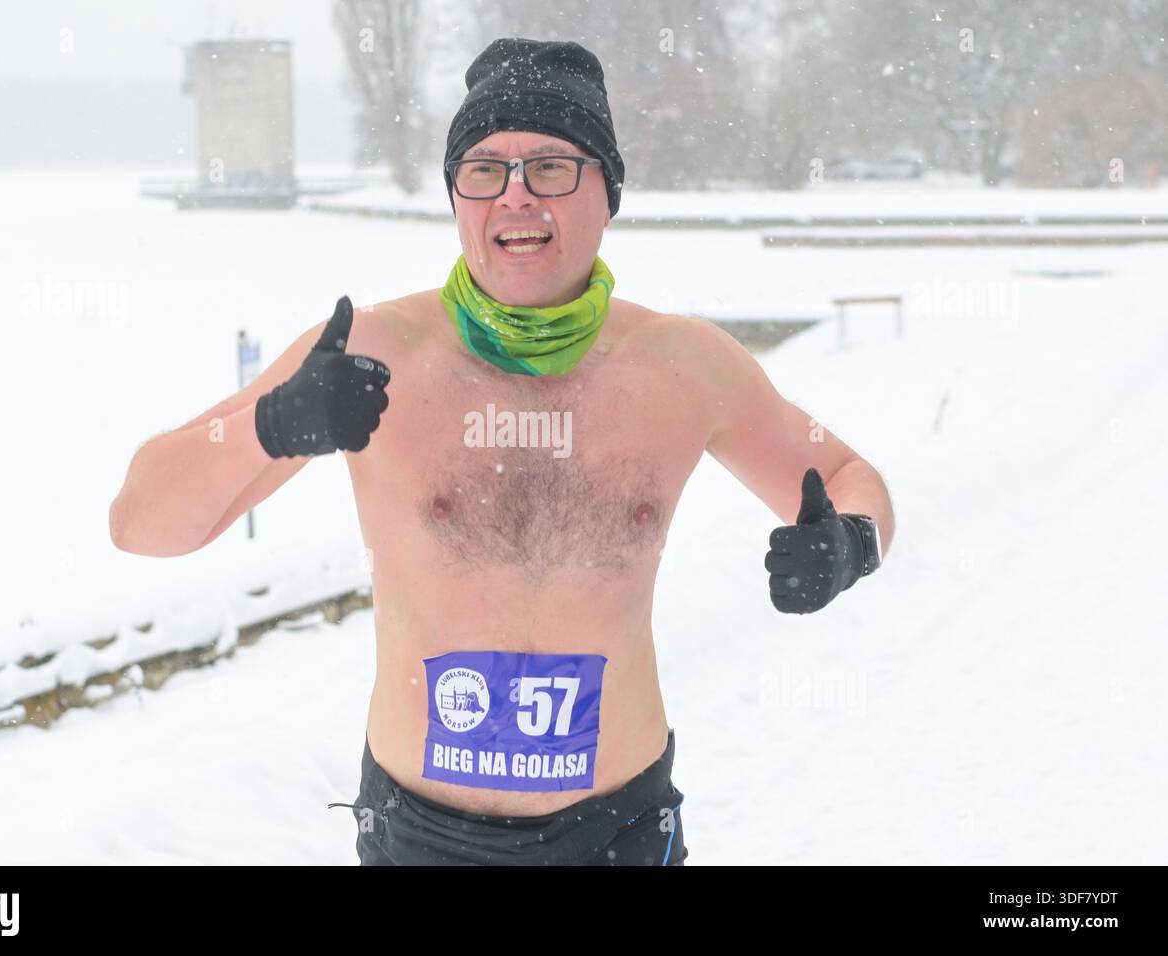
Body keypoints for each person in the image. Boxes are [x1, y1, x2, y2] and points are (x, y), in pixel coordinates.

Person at [109, 37, 894, 866]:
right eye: (485, 170)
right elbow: (141, 520)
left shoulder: (685, 367)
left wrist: (848, 544)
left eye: (551, 166)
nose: (516, 197)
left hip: (617, 835)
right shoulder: (372, 354)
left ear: (608, 192)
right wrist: (269, 424)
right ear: (456, 196)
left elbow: (849, 477)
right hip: (416, 836)